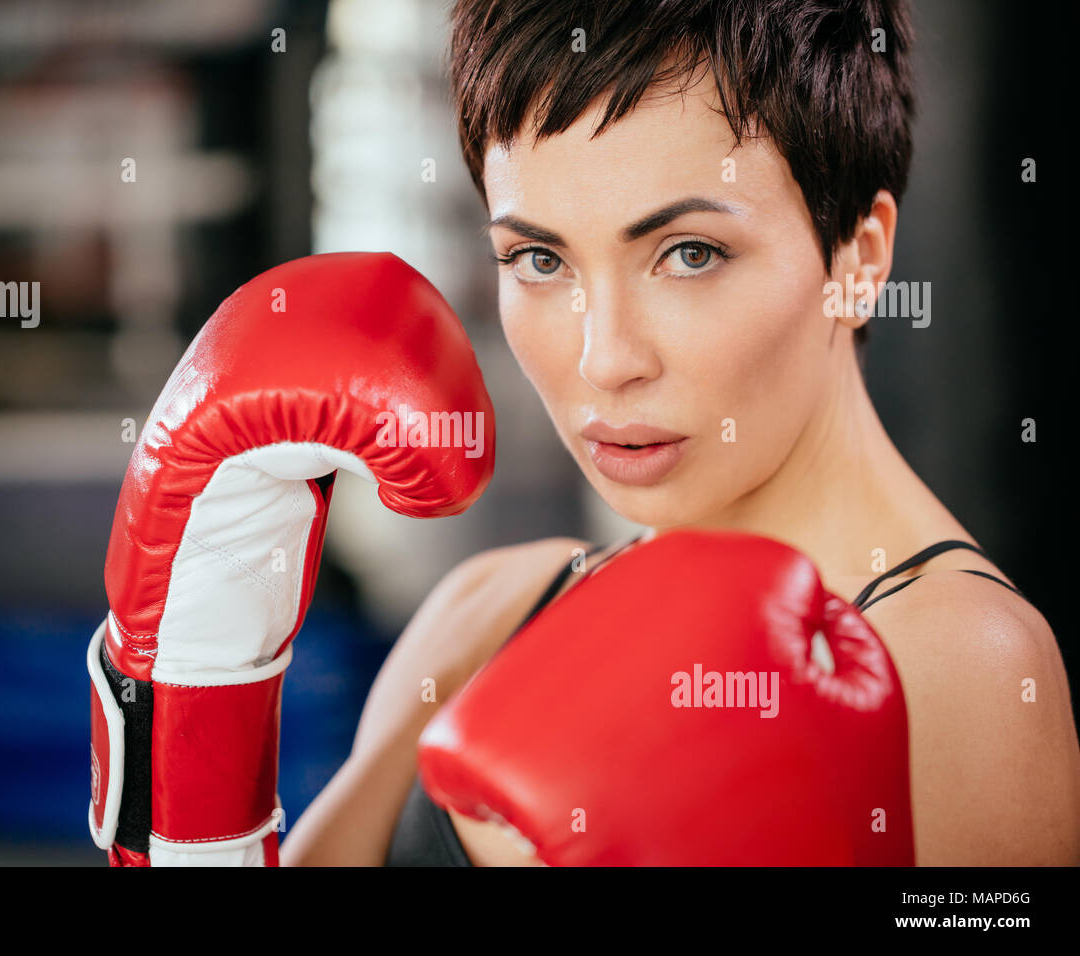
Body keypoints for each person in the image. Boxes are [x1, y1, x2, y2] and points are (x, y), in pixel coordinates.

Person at [281, 0, 1080, 866]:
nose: (605, 359)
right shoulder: (492, 605)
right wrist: (197, 681)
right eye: (540, 260)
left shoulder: (963, 670)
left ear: (861, 255)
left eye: (689, 253)